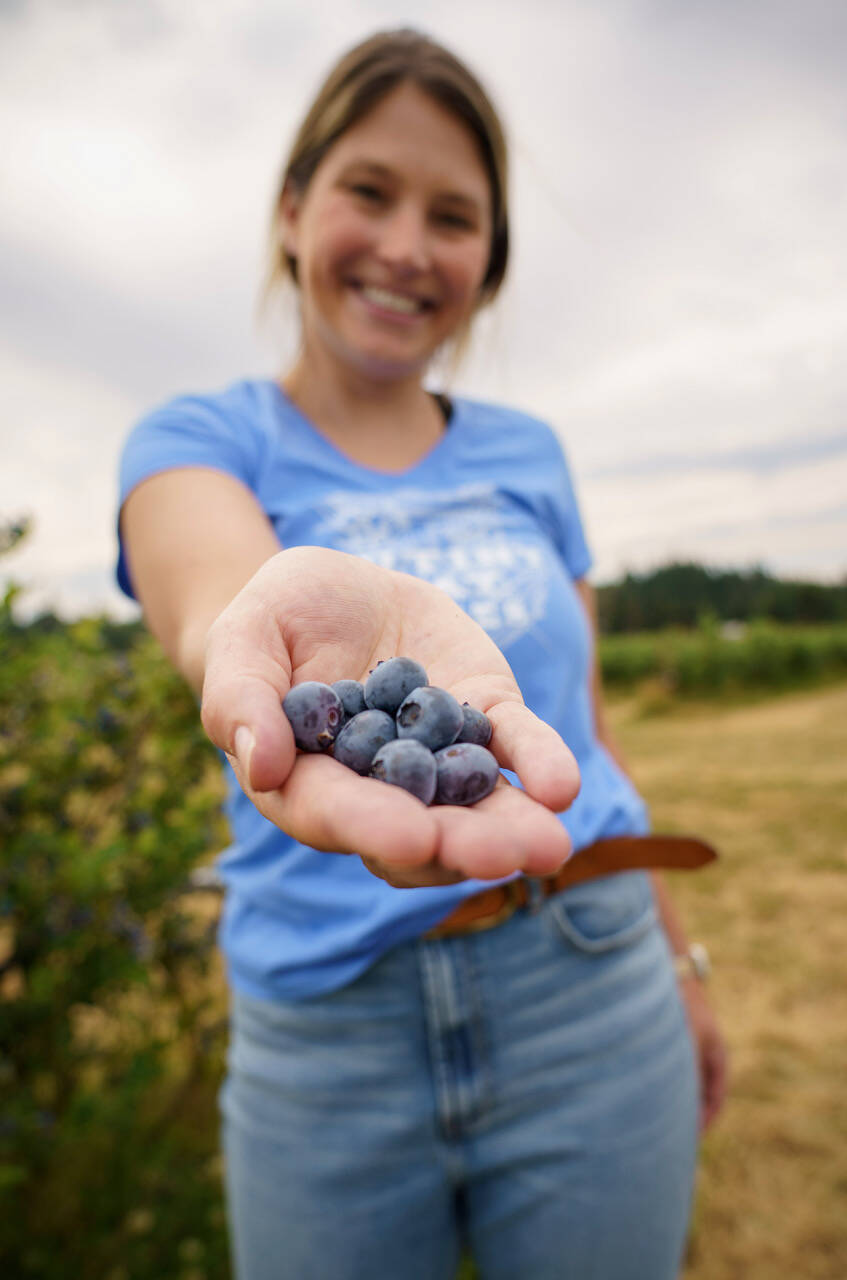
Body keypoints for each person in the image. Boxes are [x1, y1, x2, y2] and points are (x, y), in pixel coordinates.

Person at [116, 28, 727, 1280]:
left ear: (487, 263)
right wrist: (259, 627)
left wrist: (679, 959)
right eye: (369, 190)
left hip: (589, 975)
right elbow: (210, 607)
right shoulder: (199, 436)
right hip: (325, 1032)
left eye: (452, 216)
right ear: (293, 209)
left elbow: (583, 735)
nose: (405, 246)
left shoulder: (529, 453)